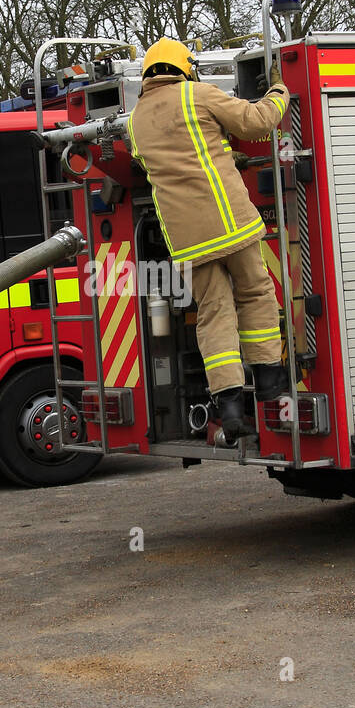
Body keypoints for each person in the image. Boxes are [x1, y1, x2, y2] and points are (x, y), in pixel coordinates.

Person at [125, 37, 290, 442]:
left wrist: (219, 153)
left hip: (188, 242)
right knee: (254, 293)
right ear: (185, 68)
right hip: (232, 224)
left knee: (214, 314)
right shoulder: (199, 93)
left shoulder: (134, 121)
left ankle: (229, 403)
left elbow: (165, 162)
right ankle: (269, 378)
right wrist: (279, 91)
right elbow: (257, 122)